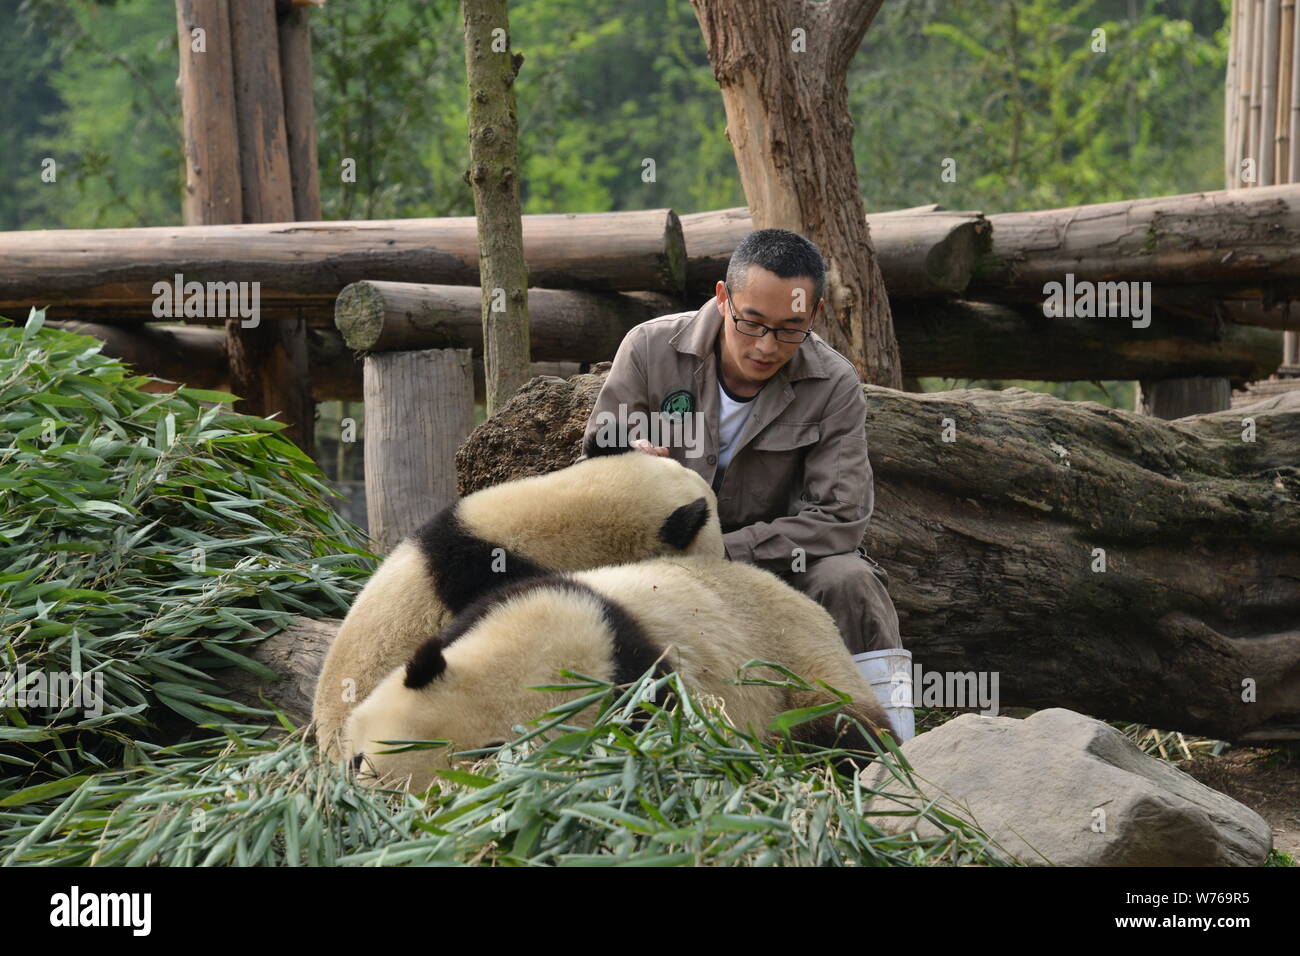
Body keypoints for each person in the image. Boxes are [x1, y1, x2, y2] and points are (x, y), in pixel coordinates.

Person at [580, 228, 901, 654]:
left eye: (790, 329)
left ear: (815, 312)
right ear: (722, 297)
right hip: (657, 559)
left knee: (848, 580)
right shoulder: (649, 349)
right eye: (751, 323)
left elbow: (840, 516)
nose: (766, 347)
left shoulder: (834, 383)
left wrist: (722, 550)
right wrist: (625, 464)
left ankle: (880, 716)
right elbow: (591, 466)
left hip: (777, 564)